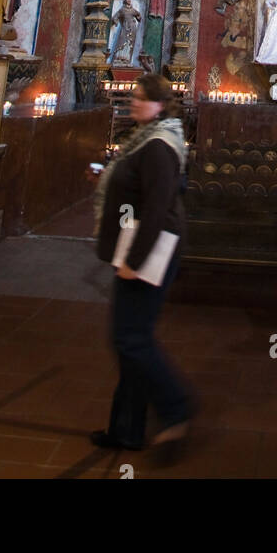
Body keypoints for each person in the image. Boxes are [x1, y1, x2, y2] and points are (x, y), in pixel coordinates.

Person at [94, 74, 192, 460]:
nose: (132, 102)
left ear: (158, 104)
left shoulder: (158, 146)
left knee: (131, 338)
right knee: (131, 338)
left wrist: (133, 263)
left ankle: (177, 409)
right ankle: (126, 430)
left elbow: (157, 206)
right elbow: (139, 187)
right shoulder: (147, 140)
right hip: (136, 245)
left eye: (138, 97)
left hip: (147, 251)